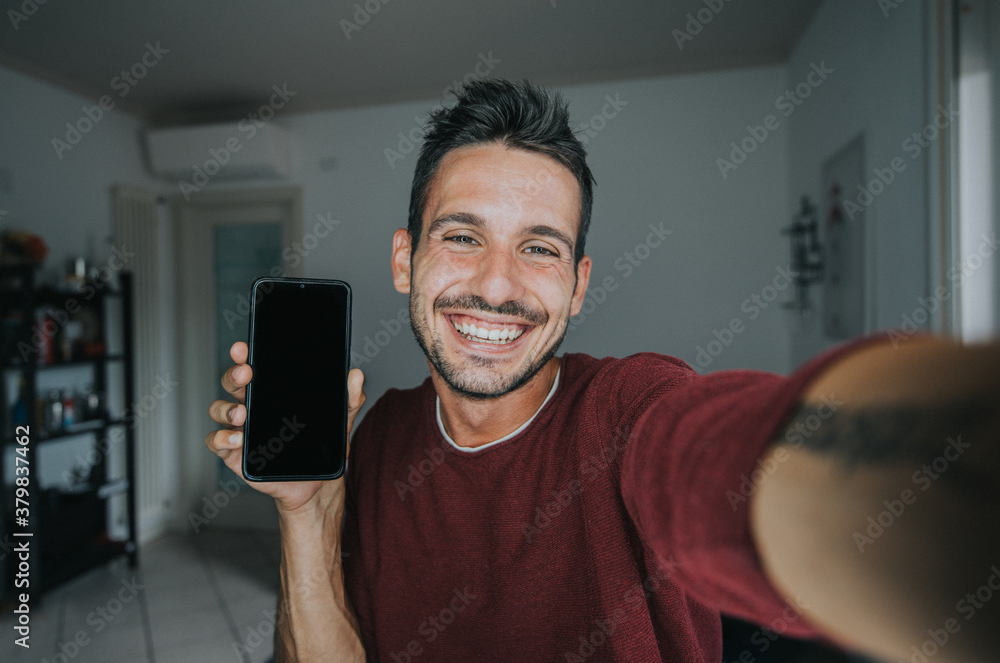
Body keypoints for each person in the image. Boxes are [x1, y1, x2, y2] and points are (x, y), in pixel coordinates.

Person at [207, 79, 1000, 662]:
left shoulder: (631, 406)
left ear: (578, 285)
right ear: (404, 261)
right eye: (462, 236)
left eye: (540, 247)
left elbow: (721, 453)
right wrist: (306, 513)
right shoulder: (373, 440)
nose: (495, 283)